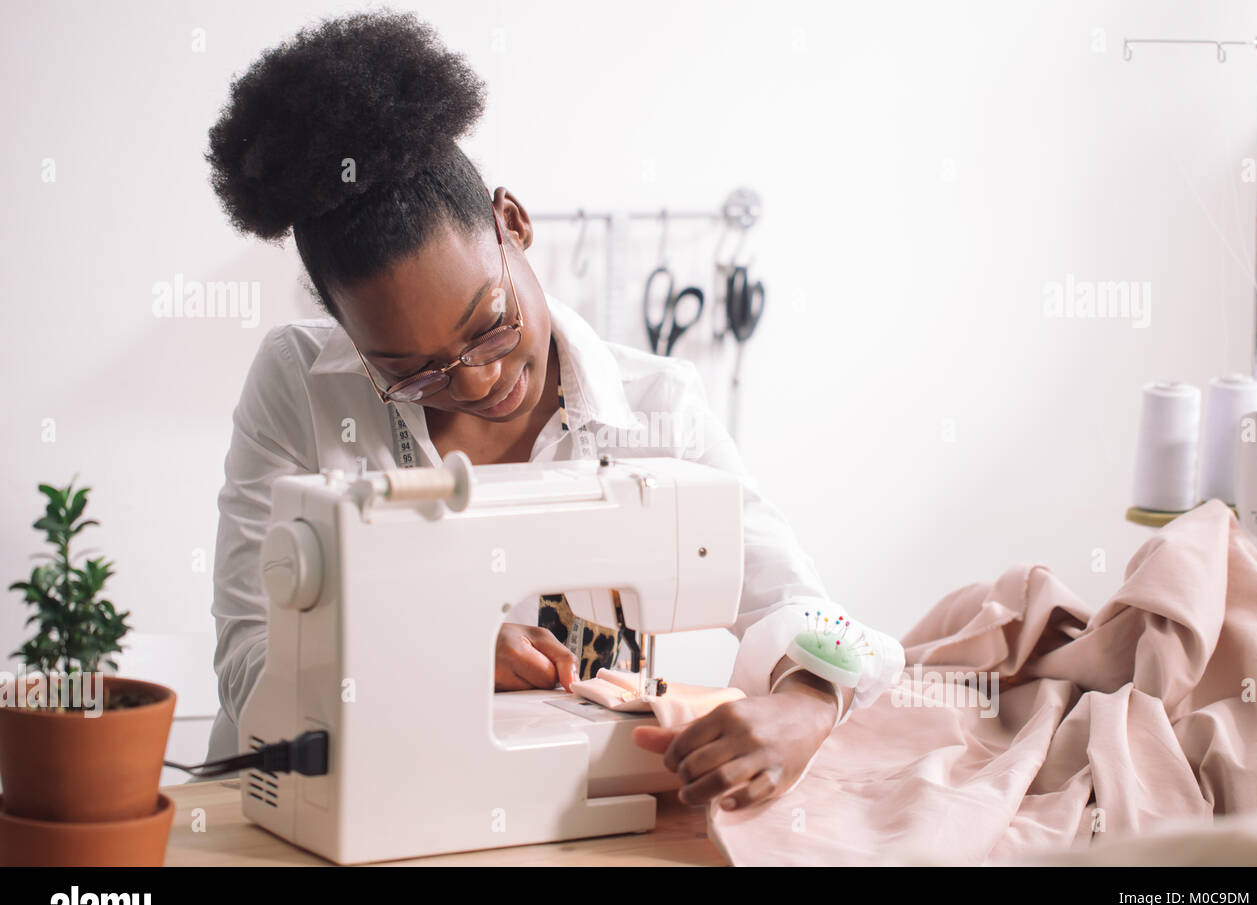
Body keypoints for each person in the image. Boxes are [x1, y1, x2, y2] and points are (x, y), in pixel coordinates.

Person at [203, 11, 896, 813]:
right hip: (333, 810)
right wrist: (440, 655)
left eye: (489, 324)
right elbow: (252, 662)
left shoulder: (655, 408)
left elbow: (792, 600)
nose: (473, 382)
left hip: (561, 817)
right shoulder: (300, 384)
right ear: (351, 342)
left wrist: (807, 704)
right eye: (412, 373)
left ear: (514, 223)